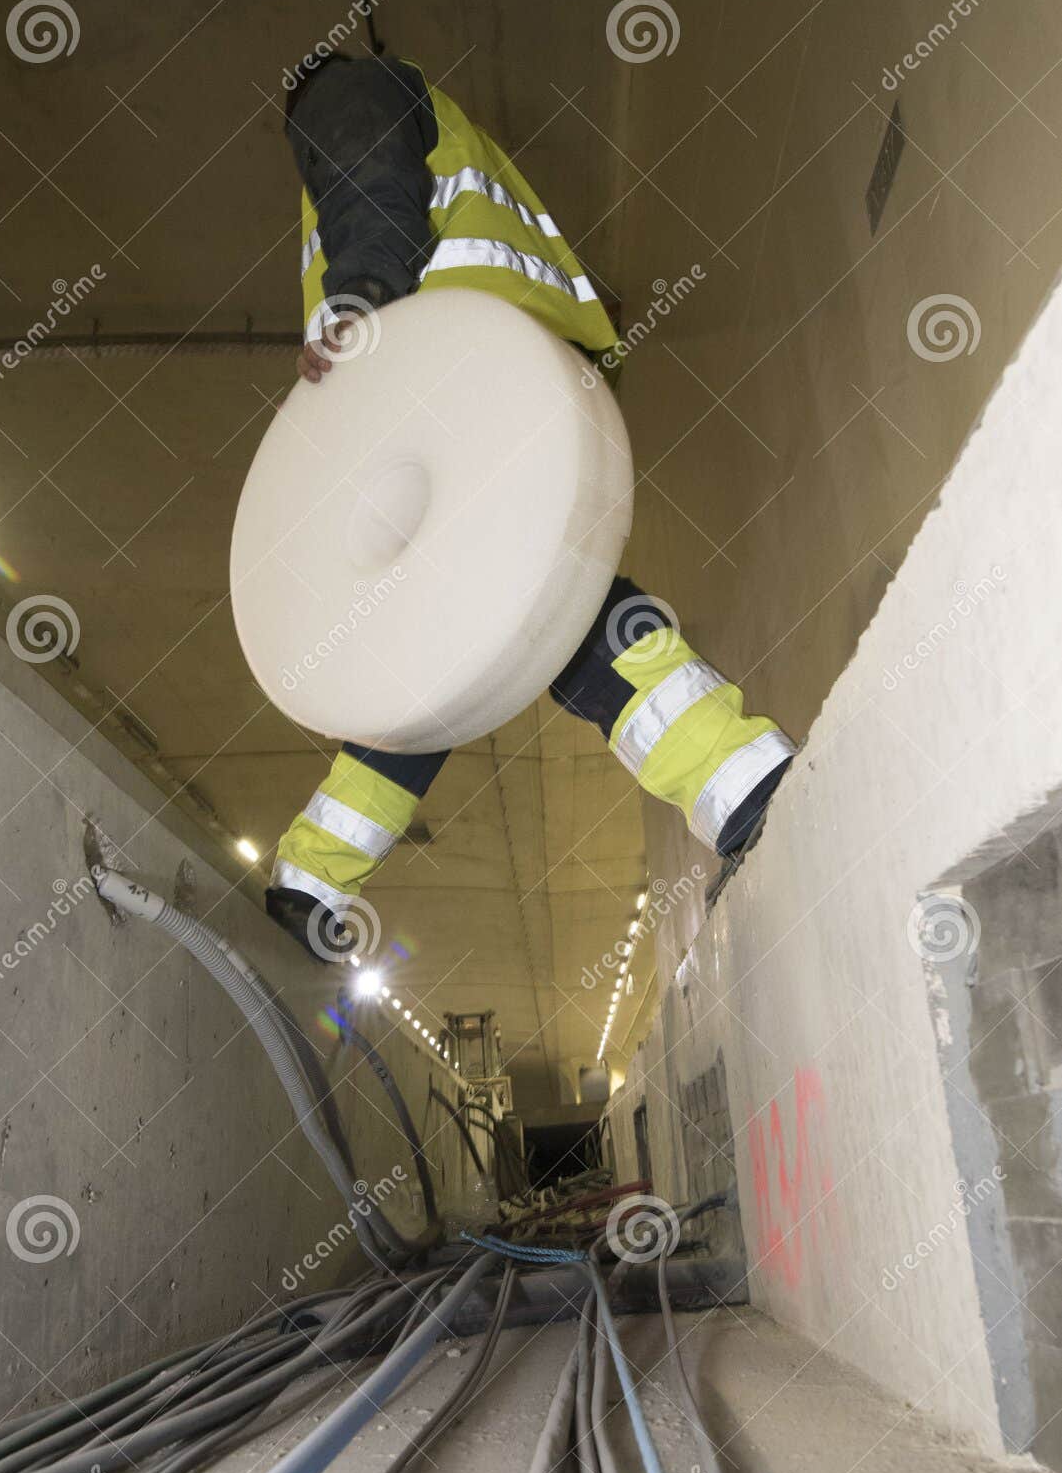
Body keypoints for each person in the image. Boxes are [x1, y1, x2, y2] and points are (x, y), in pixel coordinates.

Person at [266, 51, 793, 958]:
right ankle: (310, 880)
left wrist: (357, 302)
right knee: (459, 644)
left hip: (455, 375)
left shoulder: (340, 94)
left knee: (539, 617)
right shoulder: (434, 122)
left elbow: (368, 183)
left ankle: (746, 783)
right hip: (493, 373)